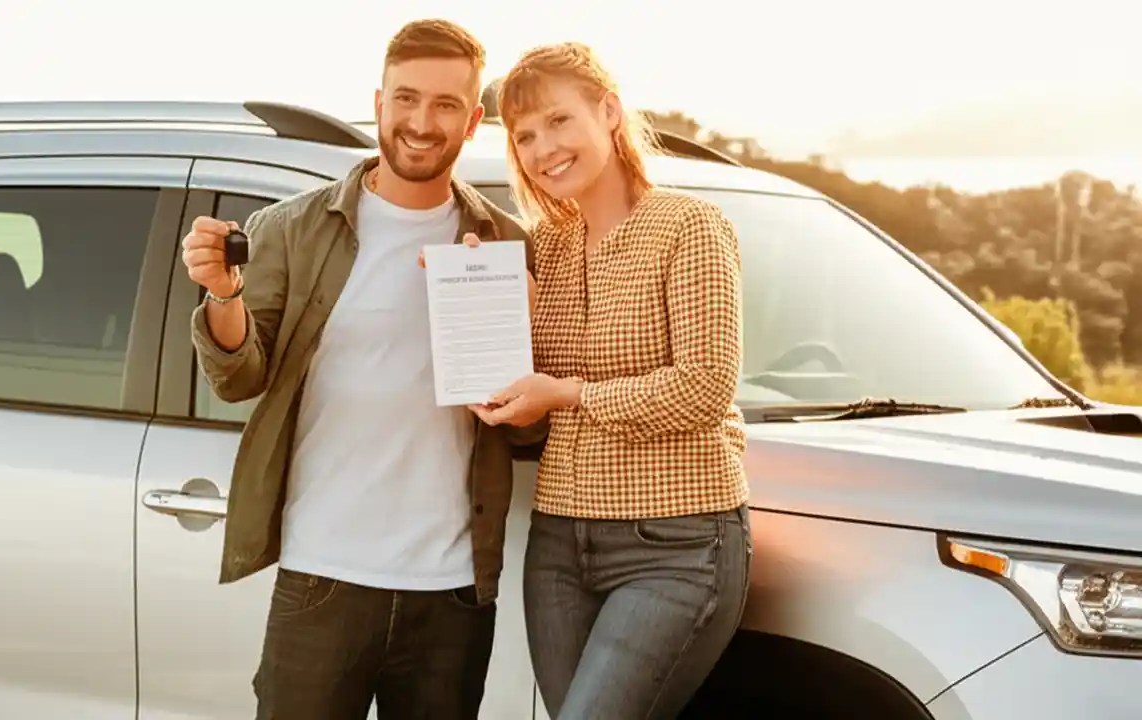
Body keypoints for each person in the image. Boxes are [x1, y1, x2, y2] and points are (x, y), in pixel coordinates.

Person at [182, 18, 542, 720]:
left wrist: (518, 336)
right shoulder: (291, 227)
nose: (421, 121)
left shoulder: (506, 244)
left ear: (472, 122)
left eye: (445, 105)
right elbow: (237, 377)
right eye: (406, 98)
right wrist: (223, 295)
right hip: (325, 577)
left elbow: (525, 431)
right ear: (378, 101)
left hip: (454, 592)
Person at [470, 42, 752, 719]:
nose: (543, 148)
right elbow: (524, 397)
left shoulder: (690, 227)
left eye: (559, 121)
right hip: (560, 545)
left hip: (678, 546)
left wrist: (568, 394)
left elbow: (706, 386)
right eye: (526, 135)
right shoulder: (547, 247)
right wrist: (477, 297)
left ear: (609, 111)